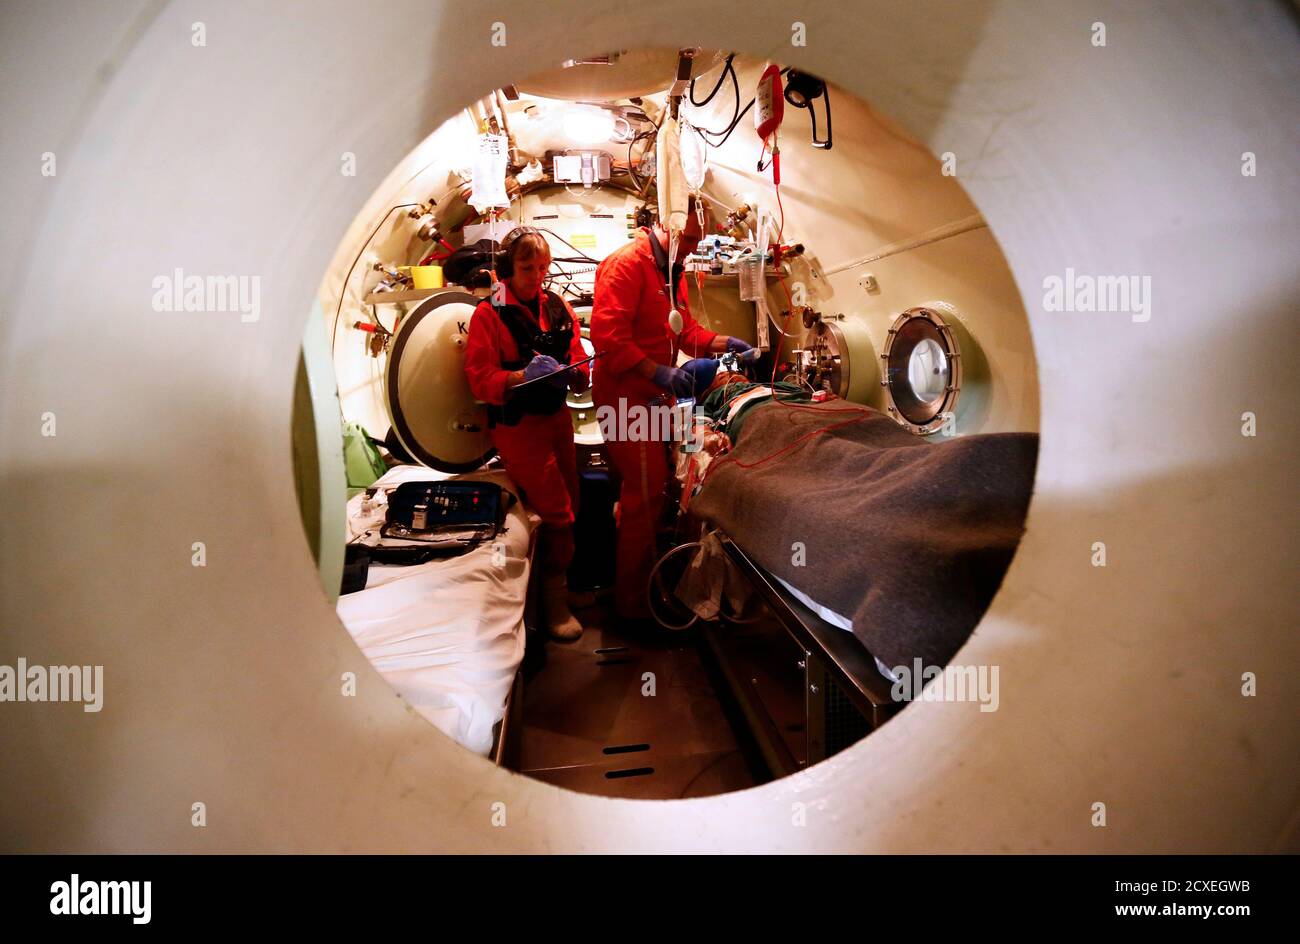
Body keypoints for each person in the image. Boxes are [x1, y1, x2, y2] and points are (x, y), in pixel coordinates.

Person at [590, 198, 755, 624]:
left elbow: (685, 333)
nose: (690, 247)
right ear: (667, 222)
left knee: (646, 493)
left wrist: (725, 344)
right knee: (646, 491)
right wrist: (659, 374)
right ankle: (631, 607)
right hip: (624, 398)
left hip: (650, 396)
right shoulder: (626, 265)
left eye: (697, 241)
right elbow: (608, 340)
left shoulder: (671, 272)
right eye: (687, 238)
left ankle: (638, 583)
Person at [463, 226, 589, 641]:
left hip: (556, 420)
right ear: (505, 269)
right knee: (557, 512)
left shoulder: (556, 305)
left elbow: (574, 355)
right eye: (525, 267)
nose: (535, 276)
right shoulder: (489, 313)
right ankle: (553, 606)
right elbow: (480, 380)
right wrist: (520, 376)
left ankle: (562, 586)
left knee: (573, 501)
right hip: (518, 426)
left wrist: (579, 375)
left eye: (541, 267)